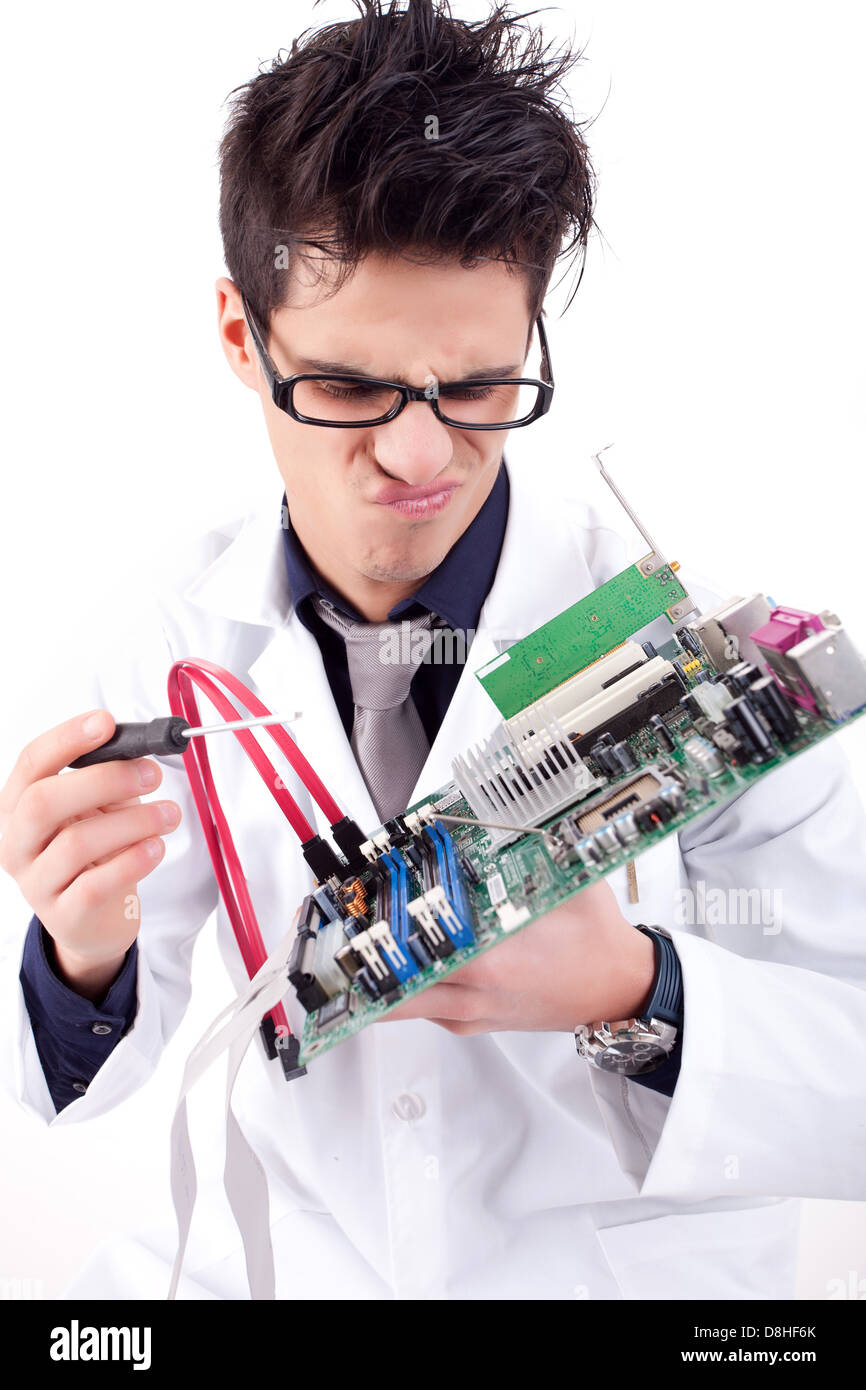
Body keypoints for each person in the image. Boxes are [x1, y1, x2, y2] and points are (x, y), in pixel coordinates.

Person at [2, 0, 865, 1301]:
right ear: (244, 338)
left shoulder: (710, 659)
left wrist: (639, 985)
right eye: (348, 388)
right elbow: (76, 1091)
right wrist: (80, 951)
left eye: (474, 389)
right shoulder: (163, 638)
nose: (417, 457)